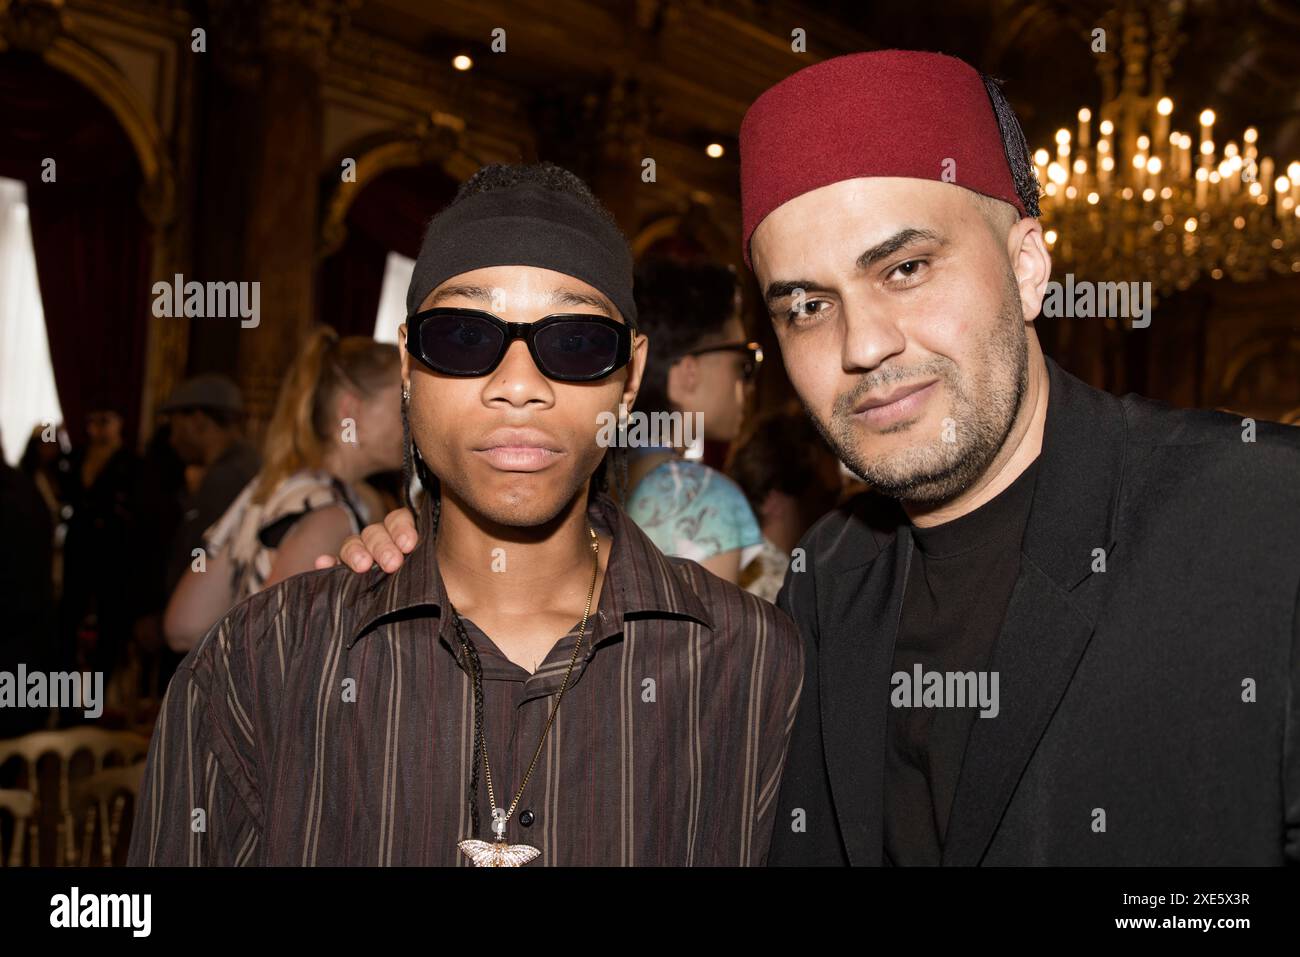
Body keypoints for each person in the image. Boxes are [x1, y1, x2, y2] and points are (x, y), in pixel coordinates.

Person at [128, 162, 802, 866]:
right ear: (410, 367)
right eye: (463, 337)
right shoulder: (261, 661)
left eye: (574, 342)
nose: (517, 385)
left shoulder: (752, 665)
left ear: (630, 378)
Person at [735, 50, 1300, 865]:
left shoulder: (1265, 521)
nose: (862, 345)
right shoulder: (827, 577)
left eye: (906, 268)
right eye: (807, 306)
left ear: (1028, 267)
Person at [162, 329, 402, 652]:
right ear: (352, 410)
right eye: (402, 400)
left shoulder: (271, 488)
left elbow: (183, 626)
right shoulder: (329, 514)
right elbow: (272, 650)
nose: (413, 416)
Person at [619, 257, 766, 583]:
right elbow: (714, 635)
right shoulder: (701, 496)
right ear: (688, 375)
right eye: (742, 364)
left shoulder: (605, 476)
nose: (749, 385)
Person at [158, 374, 262, 595]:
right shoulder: (245, 464)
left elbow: (202, 556)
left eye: (175, 427)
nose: (173, 439)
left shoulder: (227, 477)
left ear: (198, 421)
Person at [726, 408, 843, 603]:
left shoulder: (734, 564)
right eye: (826, 496)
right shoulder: (779, 590)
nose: (835, 513)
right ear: (773, 500)